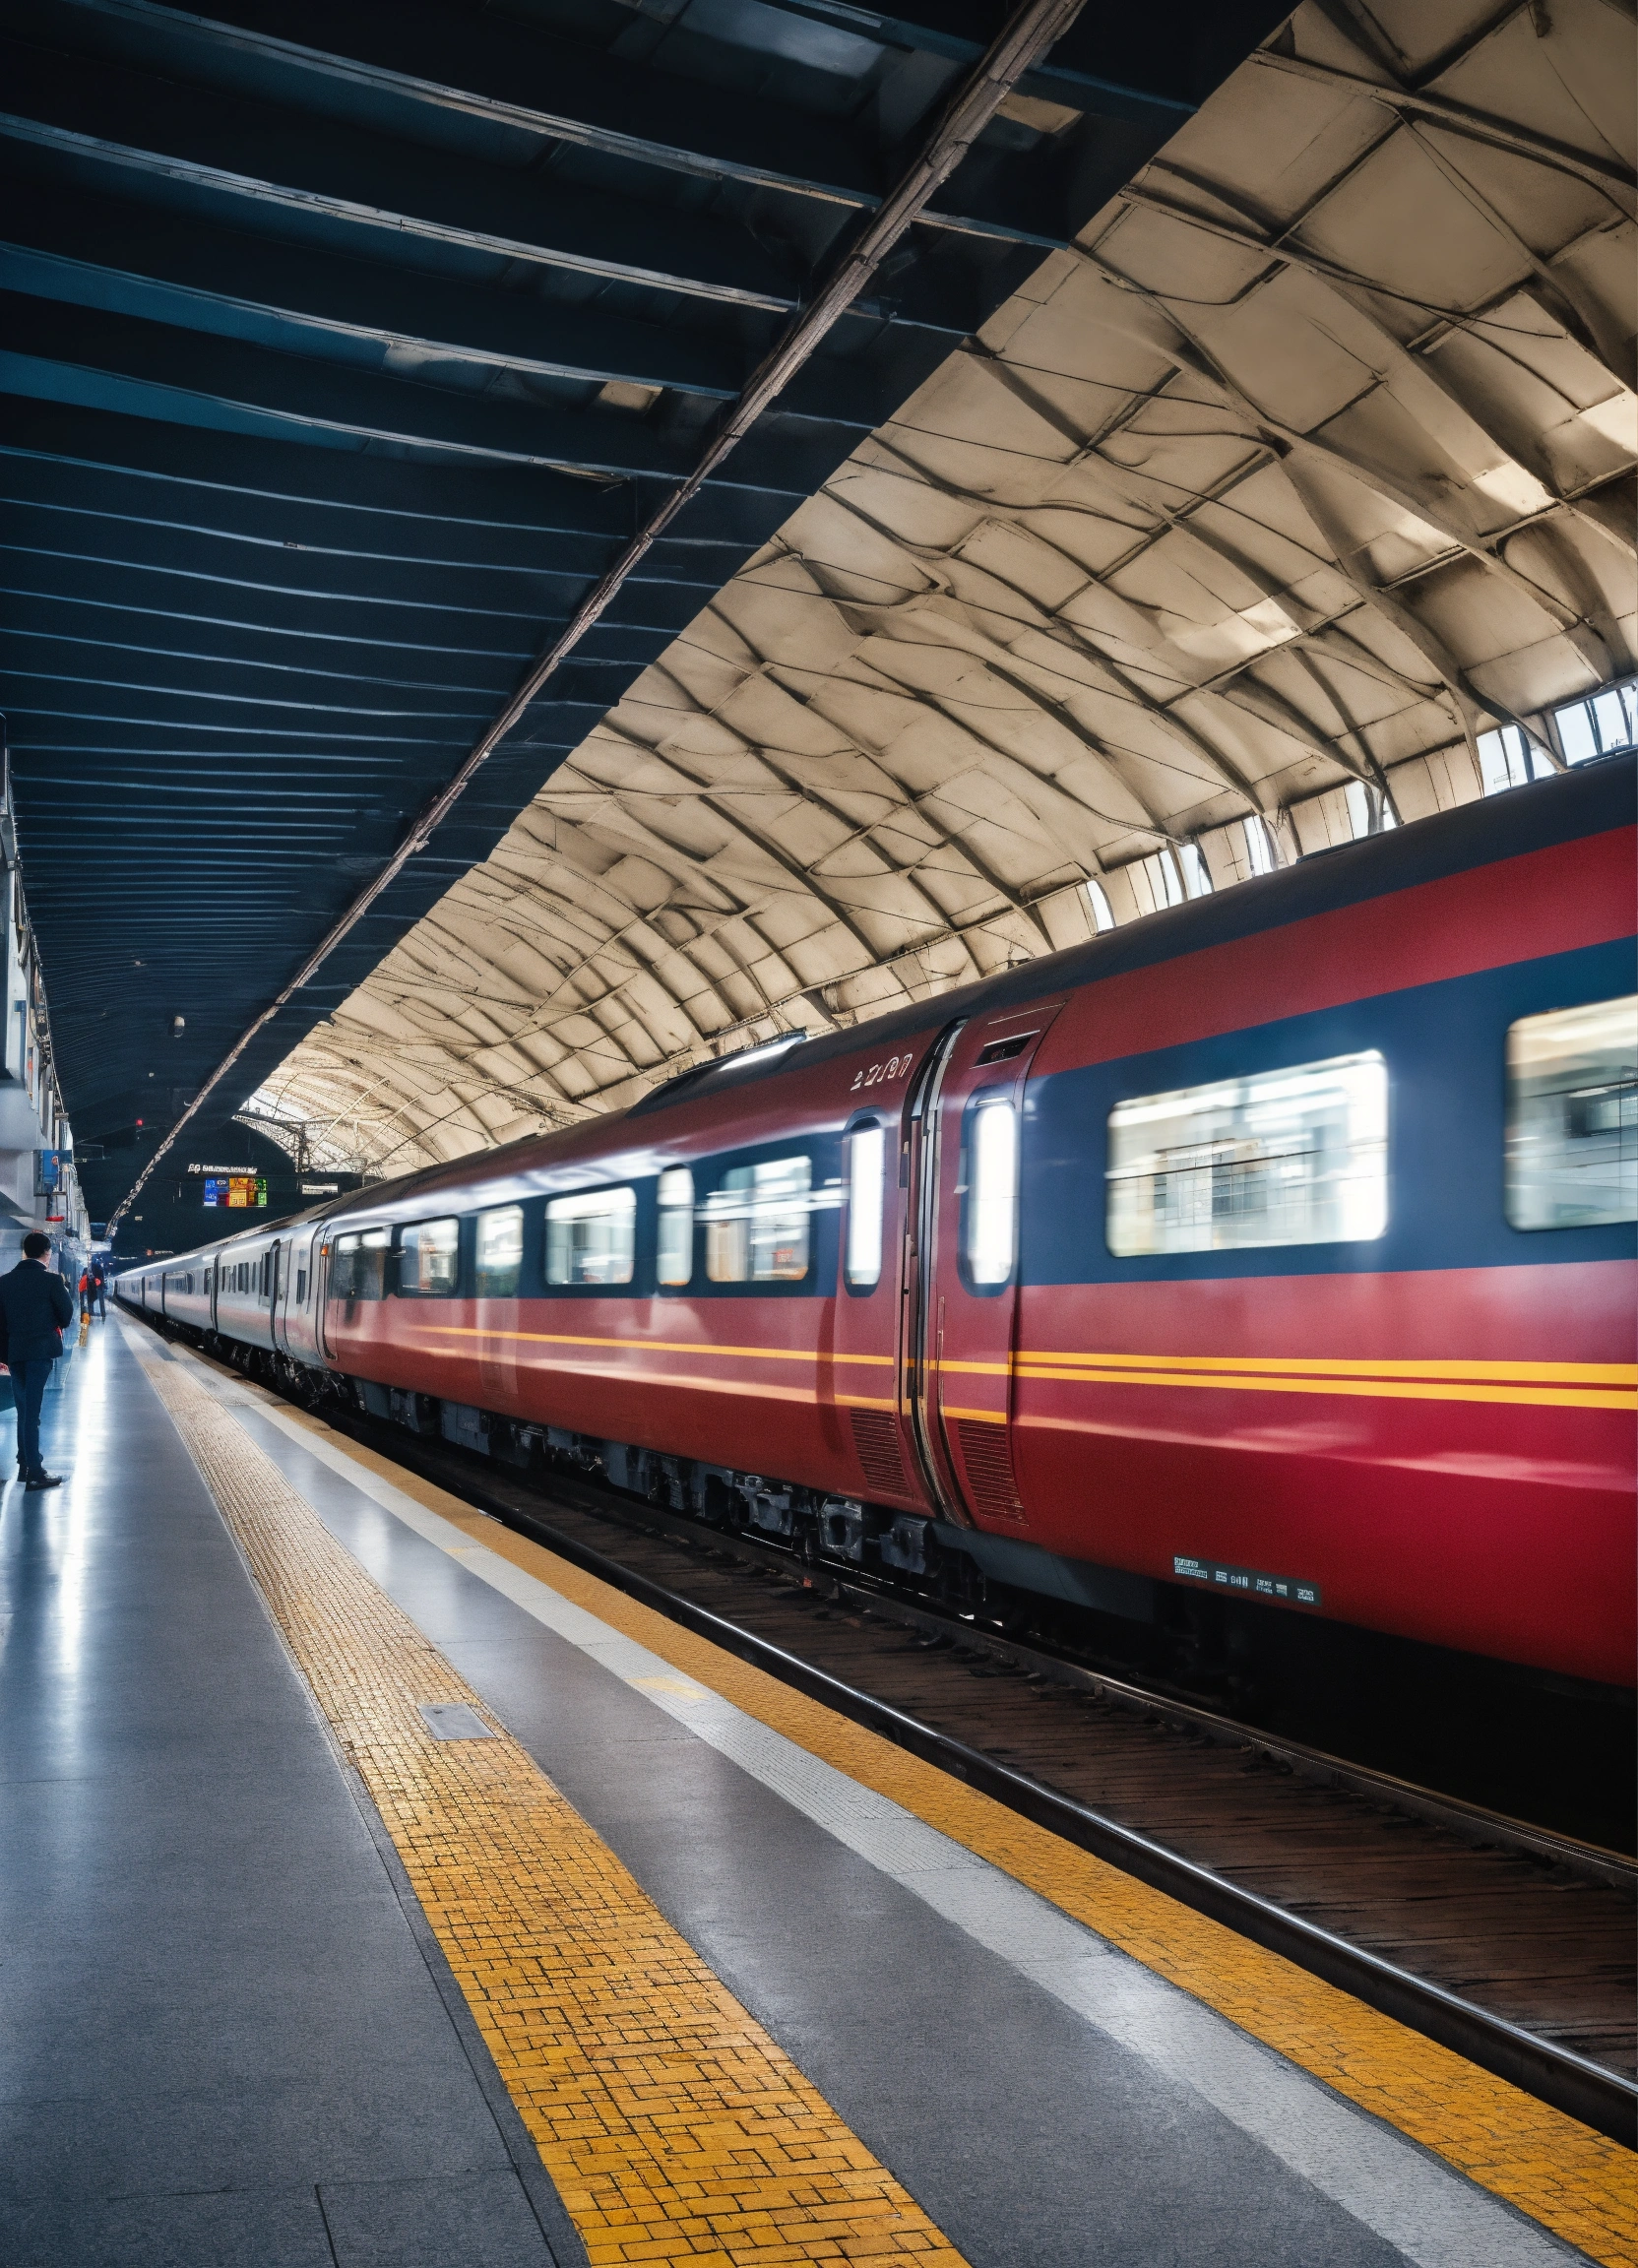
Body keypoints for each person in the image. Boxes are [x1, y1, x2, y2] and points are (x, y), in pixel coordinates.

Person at [0, 1232, 76, 1489]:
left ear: (24, 1251)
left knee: (24, 1411)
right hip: (40, 1353)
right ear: (47, 1253)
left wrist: (4, 1356)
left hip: (15, 1354)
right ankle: (35, 1471)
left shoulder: (4, 1282)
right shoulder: (52, 1281)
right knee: (32, 1413)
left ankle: (23, 1465)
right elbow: (66, 1317)